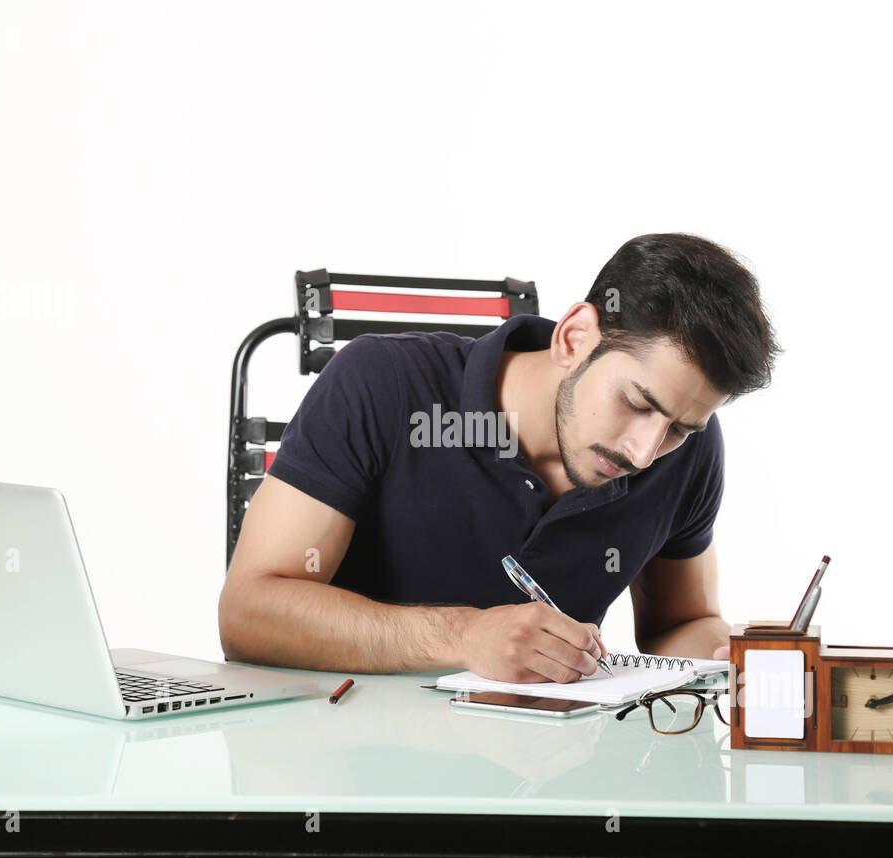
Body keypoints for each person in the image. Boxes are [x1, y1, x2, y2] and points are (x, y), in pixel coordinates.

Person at [219, 233, 780, 683]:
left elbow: (679, 623)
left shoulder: (690, 452)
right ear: (574, 337)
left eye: (680, 429)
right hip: (356, 781)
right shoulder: (379, 383)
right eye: (635, 403)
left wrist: (735, 659)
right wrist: (463, 636)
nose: (644, 452)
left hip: (554, 789)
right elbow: (248, 613)